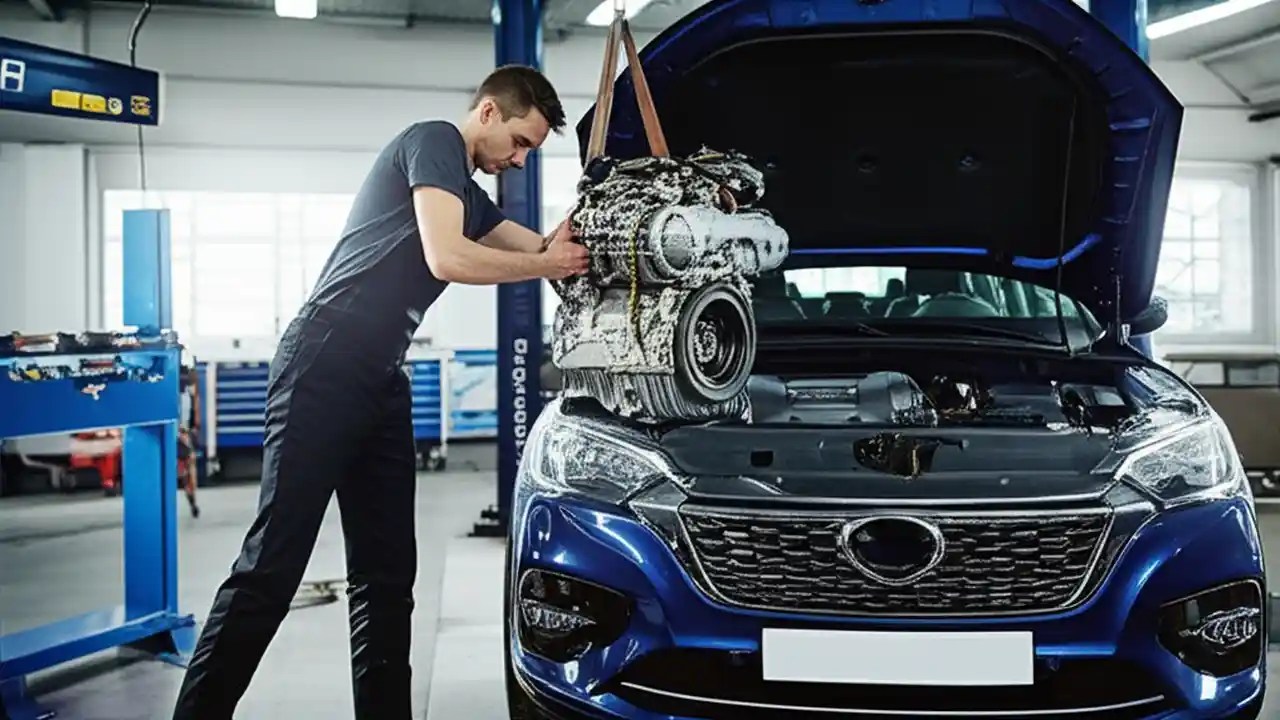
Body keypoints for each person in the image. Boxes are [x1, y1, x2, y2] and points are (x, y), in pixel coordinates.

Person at [170, 65, 588, 720]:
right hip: (324, 362)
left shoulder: (470, 197)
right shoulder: (432, 142)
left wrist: (585, 242)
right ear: (486, 112)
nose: (519, 159)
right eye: (520, 142)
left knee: (388, 579)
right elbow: (447, 257)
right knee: (271, 568)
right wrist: (545, 263)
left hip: (381, 378)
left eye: (530, 151)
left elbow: (546, 250)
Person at [178, 364, 201, 518]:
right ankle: (191, 496)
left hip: (183, 436)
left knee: (189, 471)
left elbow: (193, 418)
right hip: (177, 436)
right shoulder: (180, 396)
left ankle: (192, 499)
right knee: (186, 471)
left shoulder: (188, 395)